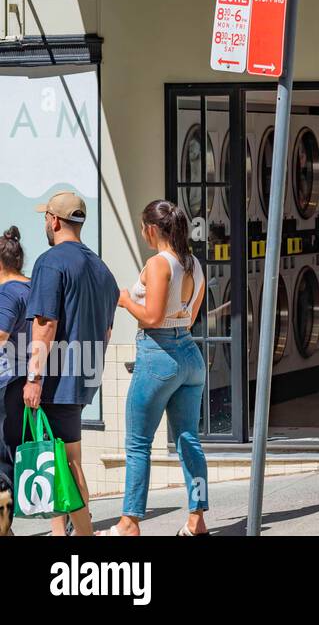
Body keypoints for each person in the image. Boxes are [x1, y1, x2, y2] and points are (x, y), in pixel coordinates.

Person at [100, 199, 209, 536]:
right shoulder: (193, 264)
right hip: (190, 354)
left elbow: (152, 316)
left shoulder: (159, 263)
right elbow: (189, 317)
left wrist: (124, 298)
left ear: (151, 228)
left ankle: (129, 523)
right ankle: (197, 519)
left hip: (158, 353)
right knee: (189, 439)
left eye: (141, 227)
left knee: (137, 444)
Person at [18, 192, 117, 535]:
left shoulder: (51, 262)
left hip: (57, 379)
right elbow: (105, 331)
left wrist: (34, 377)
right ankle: (60, 534)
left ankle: (85, 538)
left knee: (69, 463)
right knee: (58, 461)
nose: (45, 223)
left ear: (55, 221)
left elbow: (45, 324)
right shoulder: (101, 268)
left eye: (45, 217)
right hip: (82, 375)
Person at [0, 226, 30, 536]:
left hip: (6, 383)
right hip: (27, 381)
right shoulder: (31, 286)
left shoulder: (7, 292)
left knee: (2, 461)